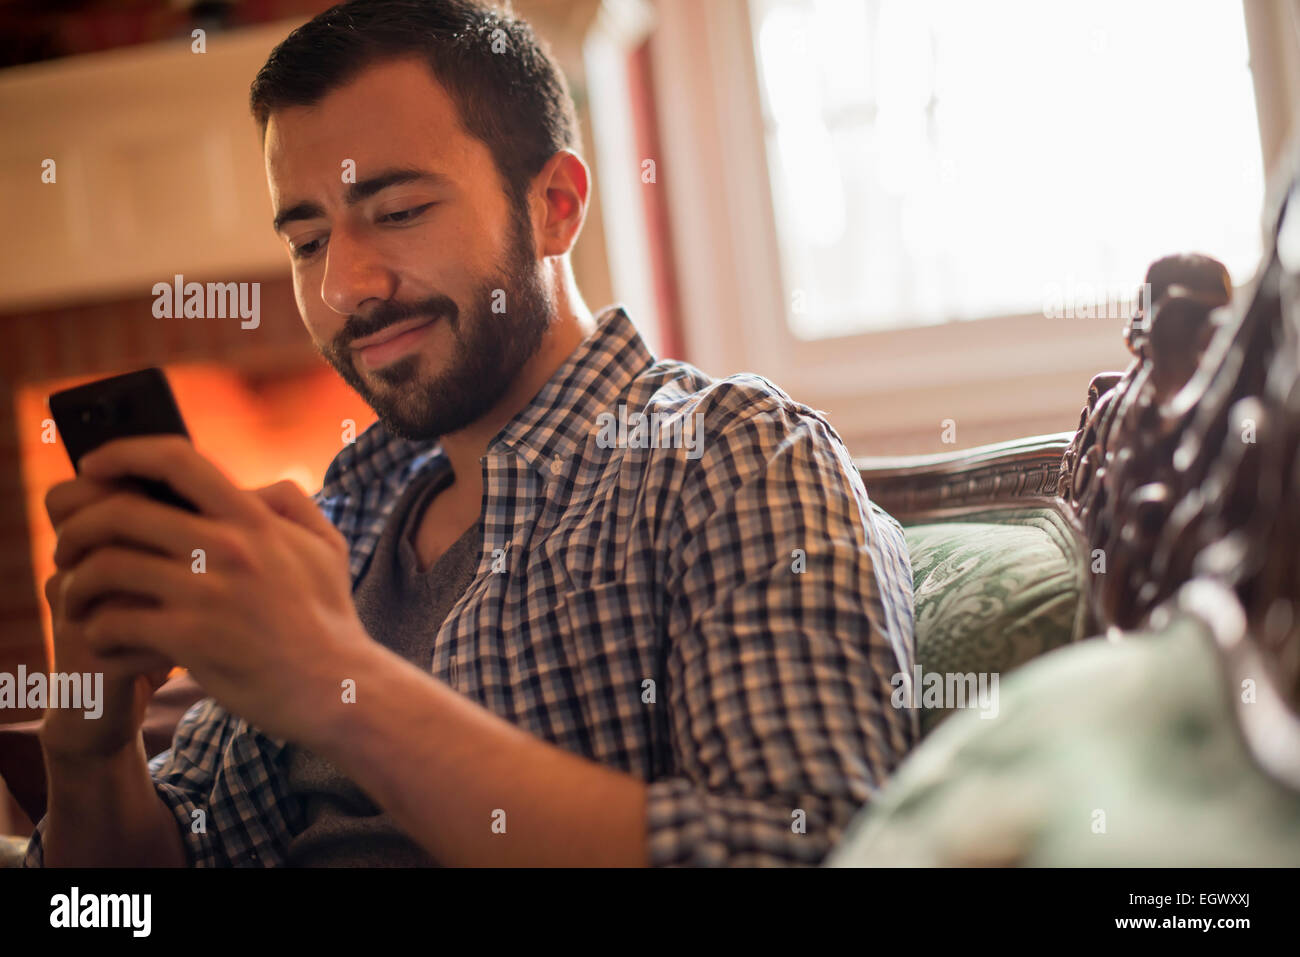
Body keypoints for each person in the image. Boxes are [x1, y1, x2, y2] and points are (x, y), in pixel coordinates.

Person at [25, 0, 914, 867]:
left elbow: (804, 846)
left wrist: (337, 684)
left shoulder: (731, 457)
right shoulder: (341, 518)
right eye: (306, 242)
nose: (344, 286)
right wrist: (90, 745)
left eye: (399, 211)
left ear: (556, 205)